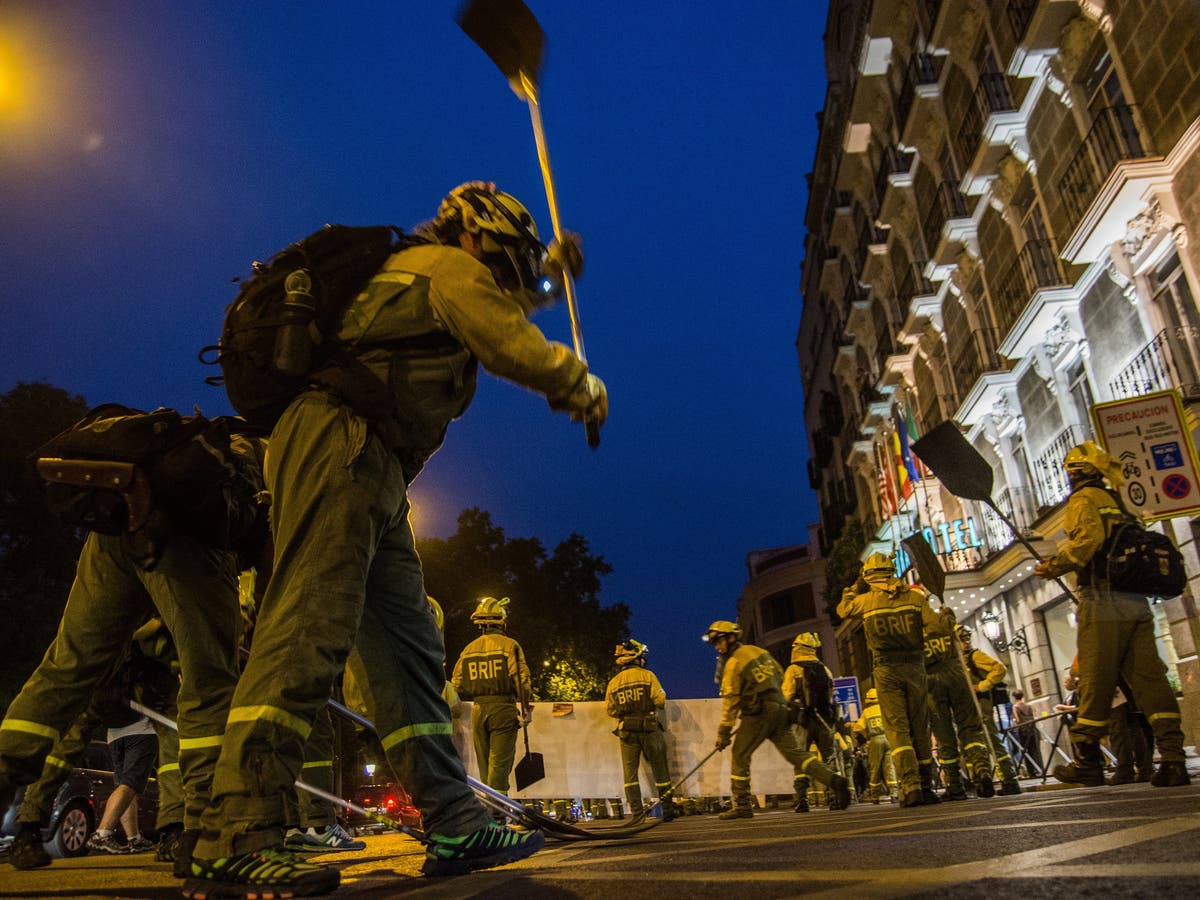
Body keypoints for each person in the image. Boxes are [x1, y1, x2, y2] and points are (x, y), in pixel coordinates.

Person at [187, 183, 606, 895]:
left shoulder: (433, 272)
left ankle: (452, 819)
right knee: (306, 628)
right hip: (340, 444)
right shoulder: (444, 265)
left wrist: (552, 275)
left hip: (371, 465)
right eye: (507, 256)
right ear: (477, 236)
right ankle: (233, 835)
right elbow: (503, 334)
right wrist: (577, 381)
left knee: (408, 652)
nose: (507, 271)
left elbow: (497, 302)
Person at [0, 420, 255, 875]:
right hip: (179, 538)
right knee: (210, 683)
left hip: (114, 528)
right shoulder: (269, 457)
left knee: (64, 671)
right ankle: (206, 836)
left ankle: (13, 793)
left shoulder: (198, 445)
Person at [1033, 441, 1189, 788]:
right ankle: (1174, 760)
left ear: (1075, 473)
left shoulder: (1083, 500)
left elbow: (1087, 541)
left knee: (1094, 678)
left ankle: (1087, 760)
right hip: (1136, 603)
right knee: (1151, 680)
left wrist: (1053, 566)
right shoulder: (1117, 501)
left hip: (1102, 603)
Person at [702, 621, 850, 819]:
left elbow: (731, 699)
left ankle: (743, 805)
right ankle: (835, 781)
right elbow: (779, 675)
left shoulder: (733, 662)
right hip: (780, 709)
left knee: (739, 754)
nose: (718, 647)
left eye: (719, 642)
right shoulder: (758, 652)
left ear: (730, 638)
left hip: (758, 713)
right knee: (797, 755)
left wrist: (724, 732)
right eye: (715, 644)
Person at [837, 552, 938, 807]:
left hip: (887, 670)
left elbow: (843, 609)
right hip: (915, 667)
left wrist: (853, 588)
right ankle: (927, 785)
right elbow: (937, 627)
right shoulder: (915, 598)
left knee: (898, 730)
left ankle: (911, 786)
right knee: (920, 728)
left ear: (868, 576)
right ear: (892, 571)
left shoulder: (866, 601)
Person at [451, 596, 533, 798]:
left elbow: (457, 683)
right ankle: (498, 812)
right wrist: (526, 708)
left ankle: (489, 808)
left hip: (479, 710)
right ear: (501, 621)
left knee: (485, 762)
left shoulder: (468, 649)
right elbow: (522, 681)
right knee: (500, 762)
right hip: (503, 709)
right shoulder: (510, 645)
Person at [923, 606, 995, 800]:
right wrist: (947, 613)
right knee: (970, 728)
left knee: (944, 734)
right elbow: (953, 625)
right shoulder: (944, 620)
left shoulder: (912, 629)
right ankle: (982, 770)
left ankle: (955, 785)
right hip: (958, 677)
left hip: (931, 682)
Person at [603, 639, 676, 820]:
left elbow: (610, 710)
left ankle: (636, 813)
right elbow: (660, 701)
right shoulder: (648, 676)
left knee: (630, 774)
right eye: (642, 657)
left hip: (626, 731)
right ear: (635, 658)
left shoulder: (614, 682)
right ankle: (667, 810)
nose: (644, 660)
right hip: (649, 728)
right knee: (661, 770)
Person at [957, 627, 1021, 795]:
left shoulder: (975, 656)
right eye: (962, 638)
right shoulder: (957, 660)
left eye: (967, 637)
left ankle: (1009, 779)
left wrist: (982, 686)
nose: (966, 641)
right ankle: (981, 781)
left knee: (991, 740)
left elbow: (999, 669)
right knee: (972, 744)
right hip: (966, 706)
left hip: (981, 704)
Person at [782, 632, 838, 812]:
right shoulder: (824, 668)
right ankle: (834, 797)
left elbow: (786, 695)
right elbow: (831, 693)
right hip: (824, 720)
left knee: (801, 761)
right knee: (829, 759)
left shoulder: (793, 670)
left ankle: (802, 800)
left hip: (803, 722)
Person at [853, 689, 896, 803]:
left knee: (875, 767)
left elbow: (858, 727)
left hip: (875, 740)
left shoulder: (866, 712)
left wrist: (866, 734)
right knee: (890, 766)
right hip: (888, 737)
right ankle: (894, 793)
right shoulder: (884, 708)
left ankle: (875, 795)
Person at [1010, 689, 1044, 778]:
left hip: (1023, 730)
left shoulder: (1015, 707)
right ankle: (1040, 770)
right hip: (1032, 729)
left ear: (1014, 697)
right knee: (1035, 750)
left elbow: (1017, 720)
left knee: (1026, 751)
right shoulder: (1029, 705)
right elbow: (1034, 716)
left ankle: (1031, 772)